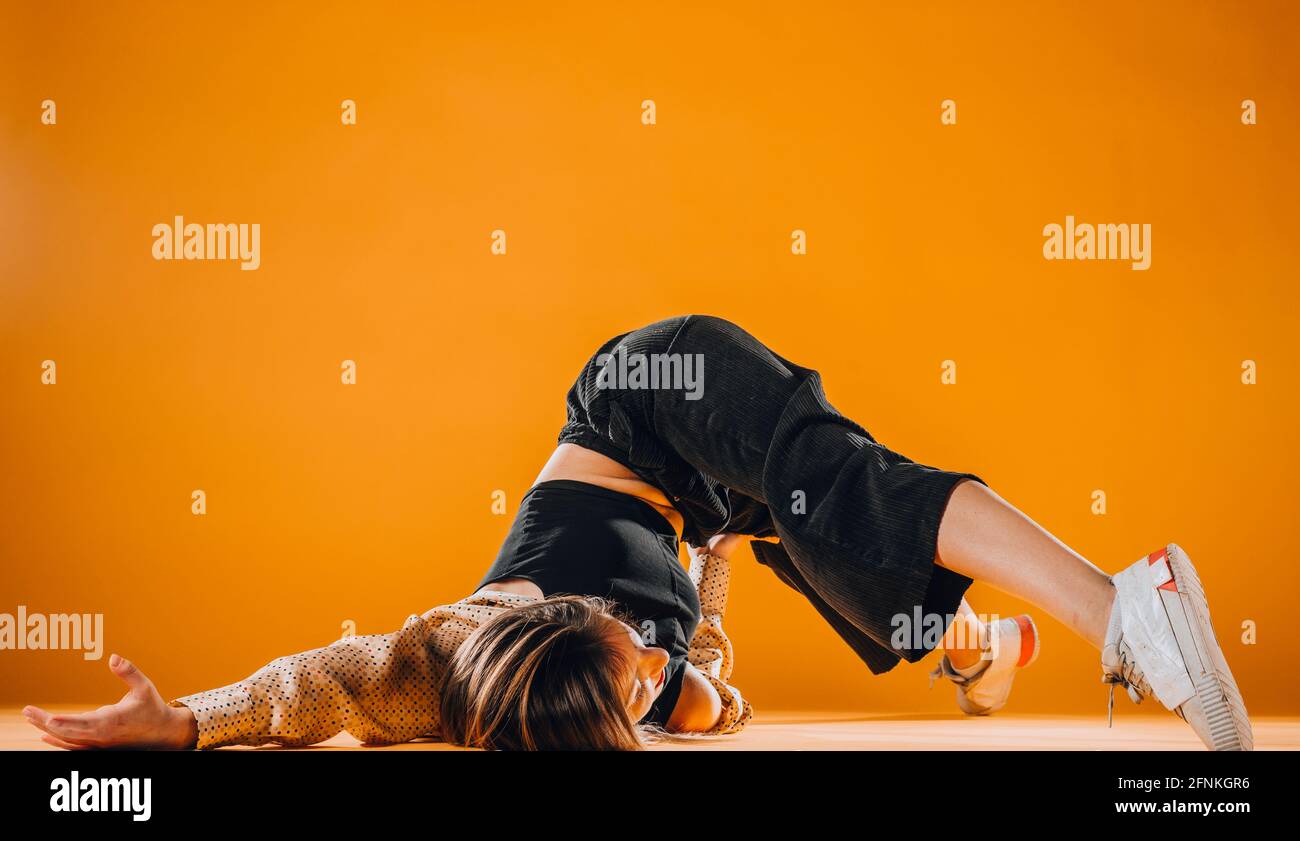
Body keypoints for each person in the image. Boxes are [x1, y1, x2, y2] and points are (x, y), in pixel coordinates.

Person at [23, 315, 1252, 751]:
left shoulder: (454, 657)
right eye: (644, 687)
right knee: (850, 574)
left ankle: (1119, 606)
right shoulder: (649, 687)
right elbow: (698, 623)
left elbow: (315, 685)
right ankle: (980, 654)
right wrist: (701, 690)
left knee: (838, 485)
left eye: (630, 651)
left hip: (644, 399)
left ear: (566, 620)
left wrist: (188, 722)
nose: (654, 661)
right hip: (705, 505)